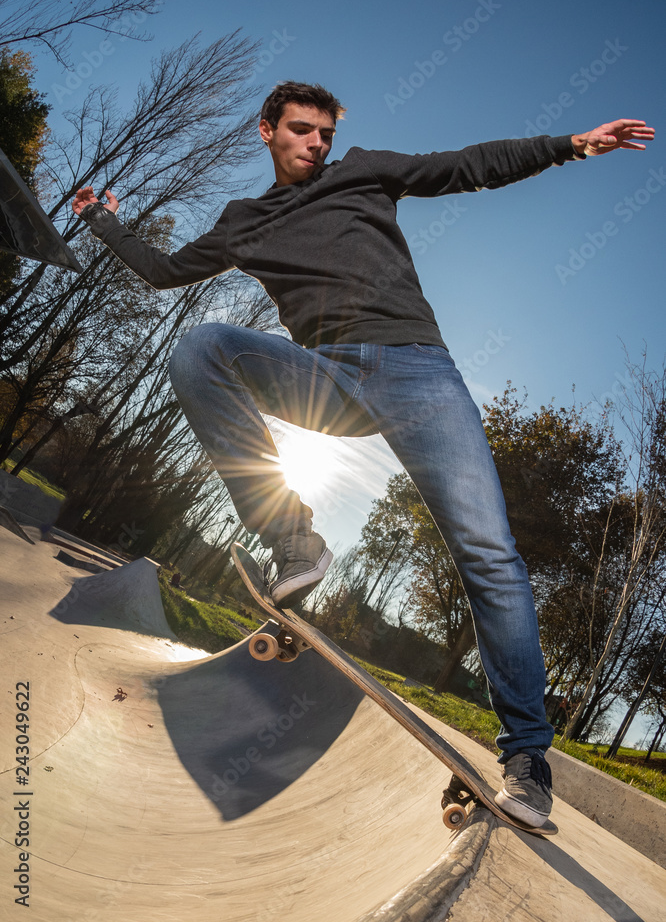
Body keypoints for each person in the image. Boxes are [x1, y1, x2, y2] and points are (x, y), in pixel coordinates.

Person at [73, 81, 653, 828]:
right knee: (199, 348)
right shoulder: (243, 222)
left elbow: (467, 164)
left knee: (489, 551)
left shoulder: (365, 171)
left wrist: (569, 145)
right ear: (266, 133)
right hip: (328, 376)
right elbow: (162, 271)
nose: (317, 145)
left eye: (324, 133)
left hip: (421, 373)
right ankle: (294, 538)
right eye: (302, 132)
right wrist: (98, 221)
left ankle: (527, 758)